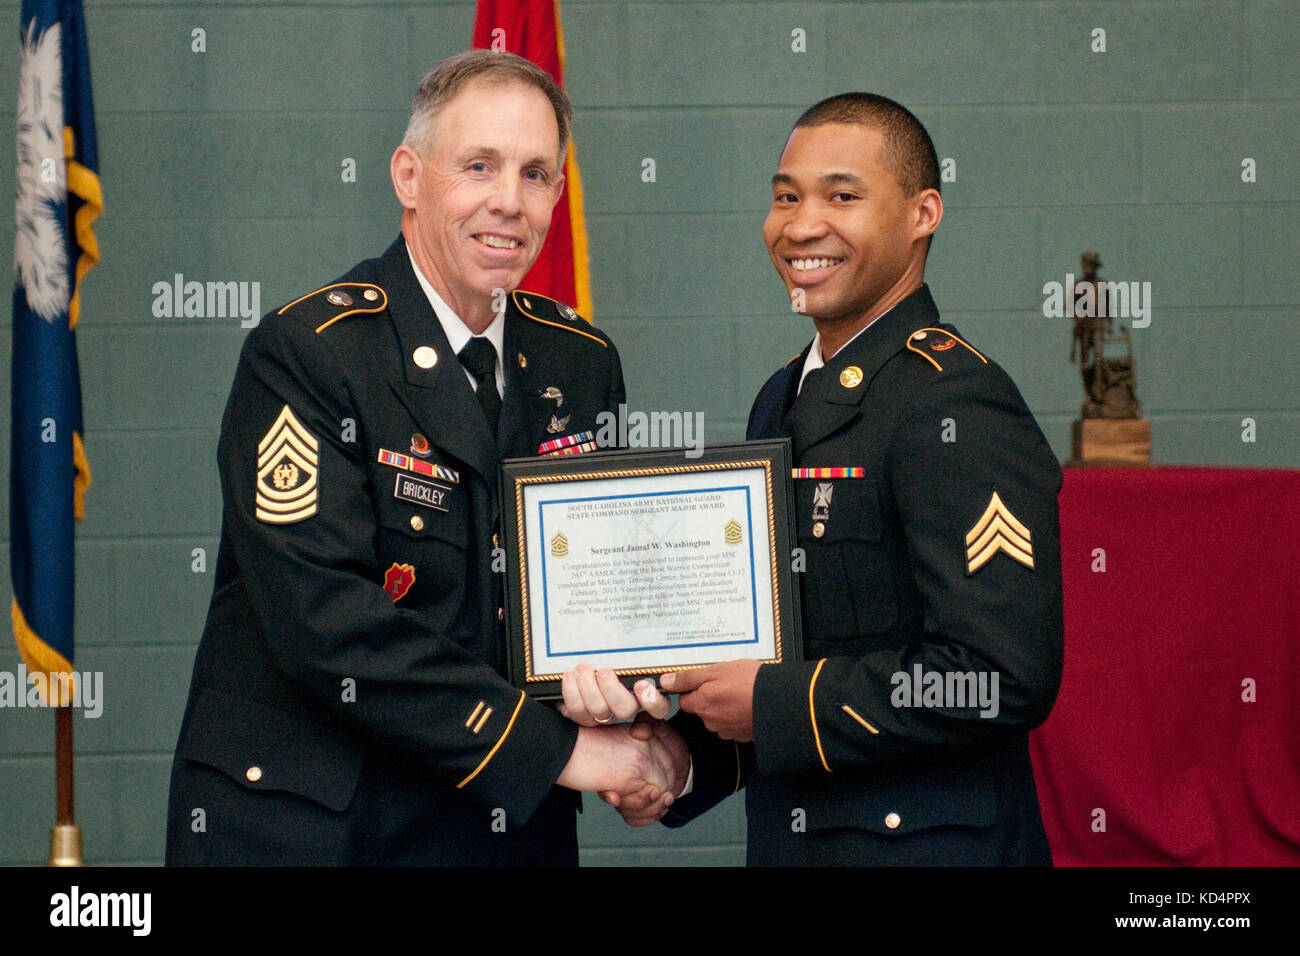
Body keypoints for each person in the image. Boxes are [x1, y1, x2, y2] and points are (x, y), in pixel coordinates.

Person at [165, 51, 676, 866]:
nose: (509, 202)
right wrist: (564, 754)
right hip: (322, 825)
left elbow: (596, 596)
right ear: (410, 176)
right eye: (479, 166)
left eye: (537, 174)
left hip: (503, 826)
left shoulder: (579, 362)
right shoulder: (308, 354)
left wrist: (646, 721)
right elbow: (324, 620)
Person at [577, 93, 1065, 866]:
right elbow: (786, 648)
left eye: (842, 195)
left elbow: (999, 675)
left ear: (921, 213)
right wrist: (683, 762)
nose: (801, 225)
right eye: (784, 196)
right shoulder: (785, 395)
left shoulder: (955, 402)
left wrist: (772, 703)